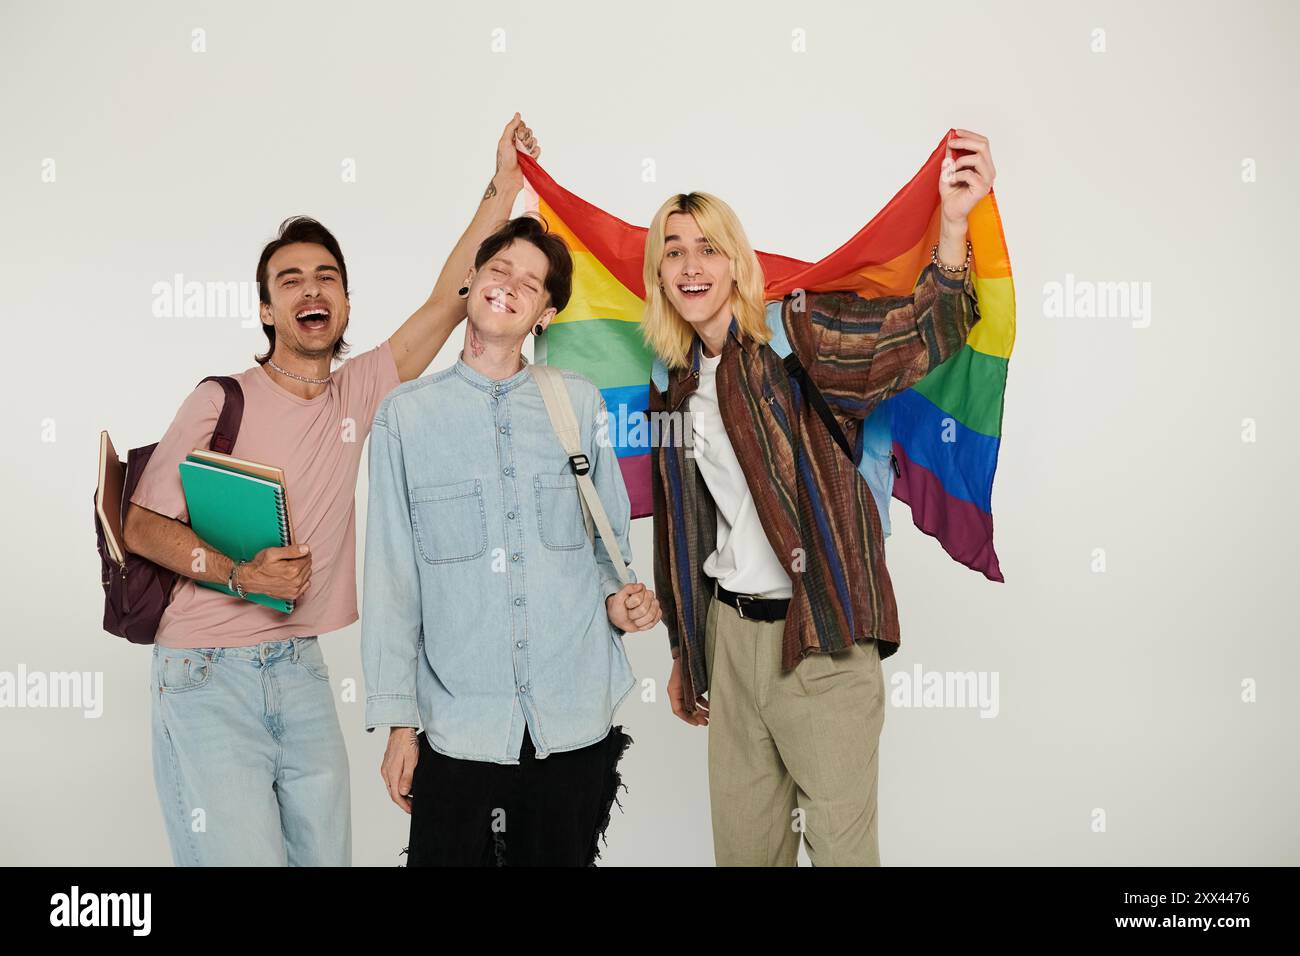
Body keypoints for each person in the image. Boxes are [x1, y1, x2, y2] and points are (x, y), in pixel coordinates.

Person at [123, 114, 544, 866]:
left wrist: (503, 186)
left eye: (325, 279)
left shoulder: (359, 394)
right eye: (289, 281)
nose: (309, 291)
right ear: (265, 309)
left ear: (345, 304)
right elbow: (141, 526)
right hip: (204, 672)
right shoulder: (222, 398)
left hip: (301, 671)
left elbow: (452, 301)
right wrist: (237, 574)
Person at [644, 130, 997, 865]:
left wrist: (956, 225)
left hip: (821, 640)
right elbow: (682, 528)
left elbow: (915, 334)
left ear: (736, 262)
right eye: (672, 250)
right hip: (732, 645)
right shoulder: (671, 384)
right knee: (745, 855)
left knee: (841, 854)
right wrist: (686, 646)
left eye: (707, 246)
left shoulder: (798, 333)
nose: (690, 263)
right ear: (658, 275)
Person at [362, 214, 662, 867]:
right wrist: (399, 723)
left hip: (572, 726)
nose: (509, 286)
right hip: (459, 733)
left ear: (545, 312)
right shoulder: (405, 418)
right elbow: (391, 578)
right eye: (499, 269)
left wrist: (621, 604)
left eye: (530, 282)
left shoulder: (578, 405)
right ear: (470, 280)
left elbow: (607, 548)